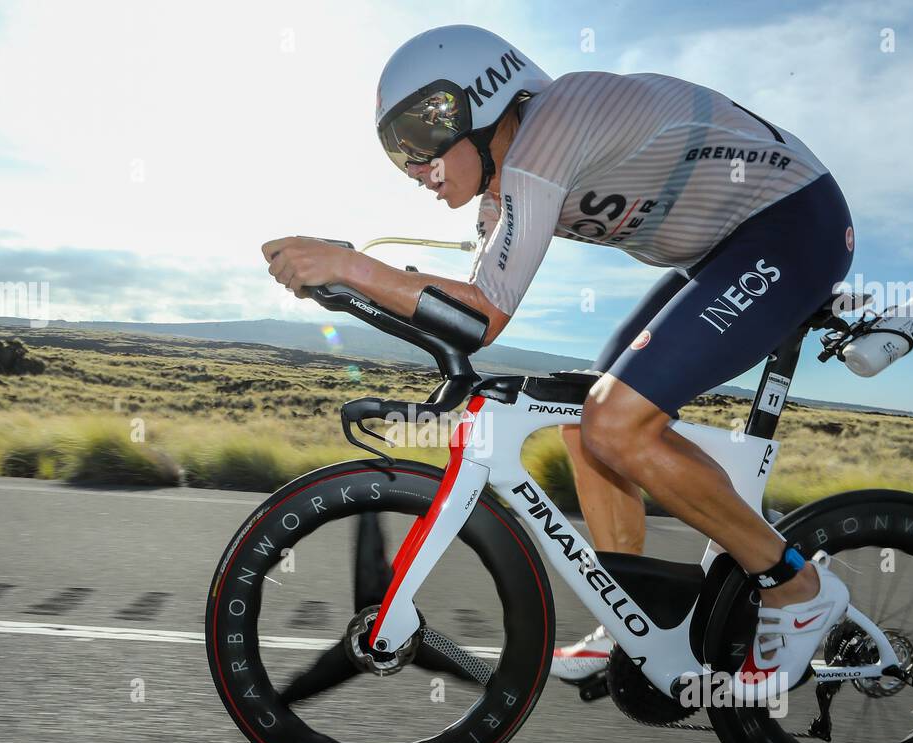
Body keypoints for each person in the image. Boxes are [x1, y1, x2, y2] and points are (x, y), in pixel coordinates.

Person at [261, 24, 852, 698]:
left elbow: (484, 312)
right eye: (398, 155)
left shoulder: (552, 124)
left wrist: (349, 264)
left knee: (615, 422)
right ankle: (637, 619)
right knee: (588, 413)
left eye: (421, 141)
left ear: (480, 102)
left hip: (794, 224)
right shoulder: (501, 190)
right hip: (728, 250)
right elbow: (456, 316)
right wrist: (348, 287)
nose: (416, 170)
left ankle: (797, 587)